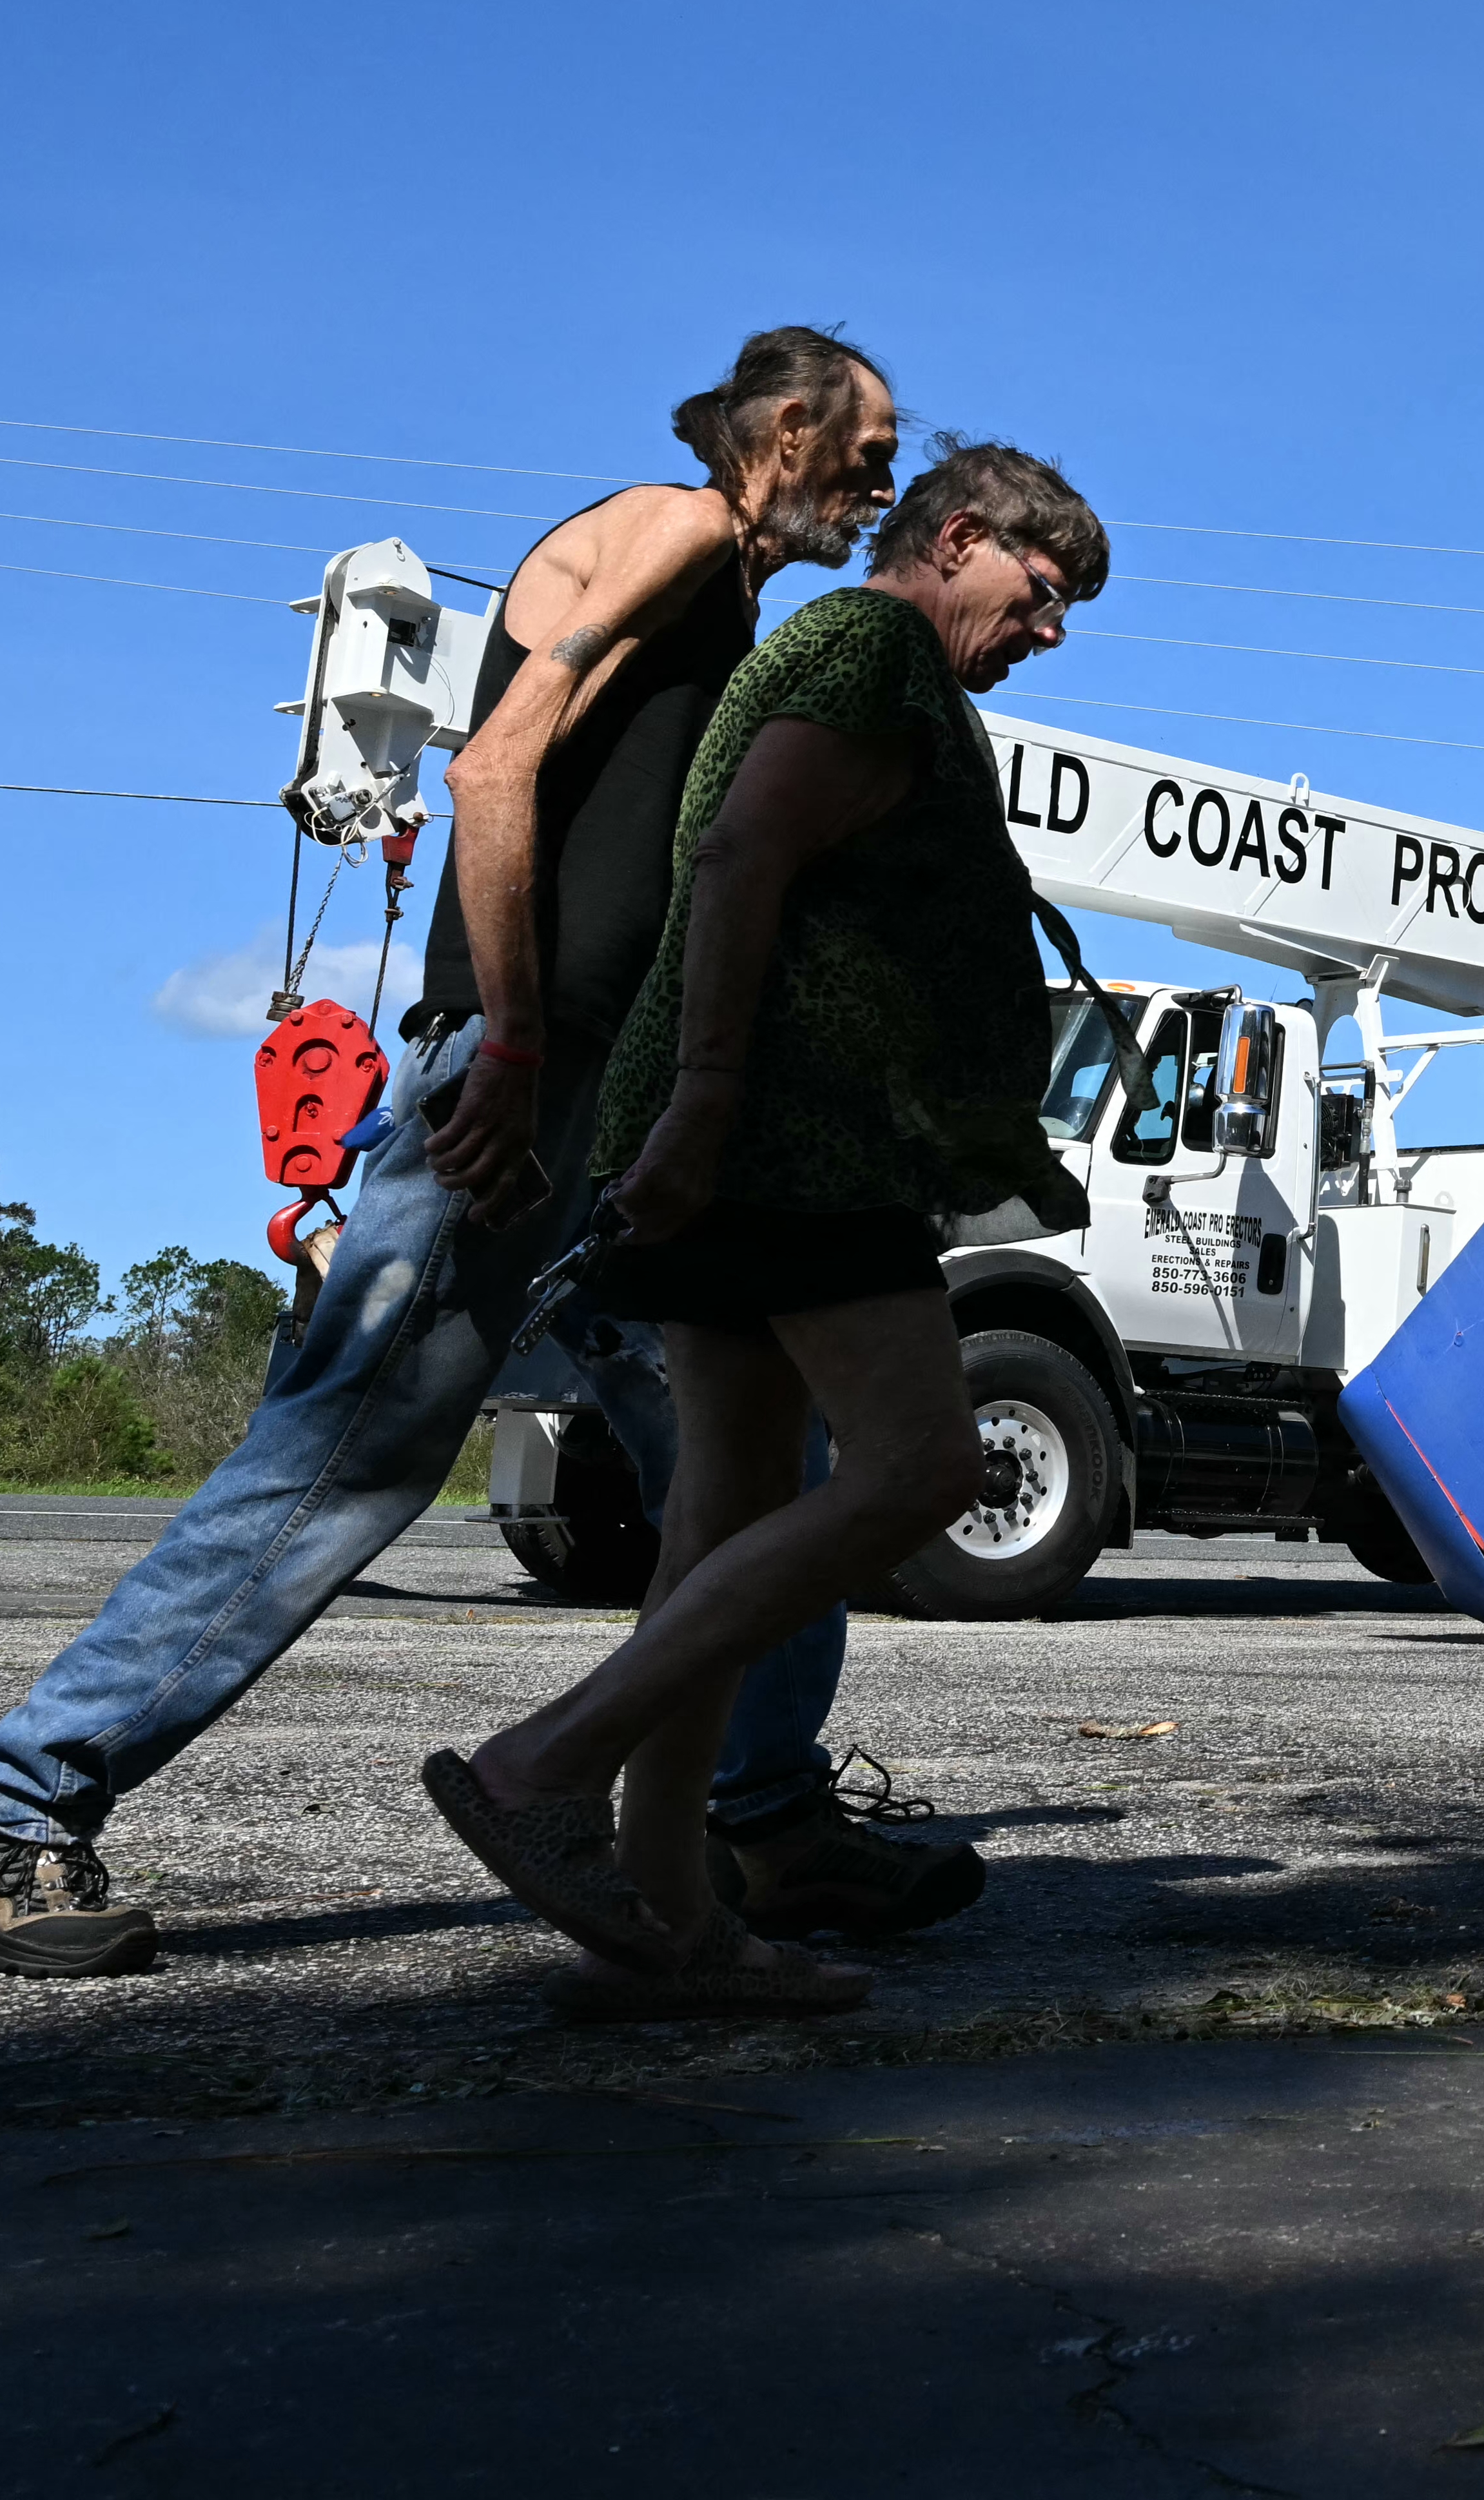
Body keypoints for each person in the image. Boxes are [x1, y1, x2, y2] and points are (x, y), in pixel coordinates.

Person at [0, 329, 973, 1975]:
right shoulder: (674, 534)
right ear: (785, 427)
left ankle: (760, 1816)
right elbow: (492, 769)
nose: (887, 476)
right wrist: (515, 1040)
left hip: (602, 1111)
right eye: (871, 440)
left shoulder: (730, 598)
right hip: (519, 1095)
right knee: (350, 1453)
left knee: (750, 1476)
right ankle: (12, 1804)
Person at [421, 442, 1102, 2014]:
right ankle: (546, 1763)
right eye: (1044, 592)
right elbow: (740, 858)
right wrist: (714, 1099)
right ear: (960, 537)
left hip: (752, 1126)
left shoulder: (848, 663)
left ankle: (674, 1910)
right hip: (796, 1129)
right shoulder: (868, 647)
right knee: (923, 1468)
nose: (1049, 631)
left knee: (721, 1518)